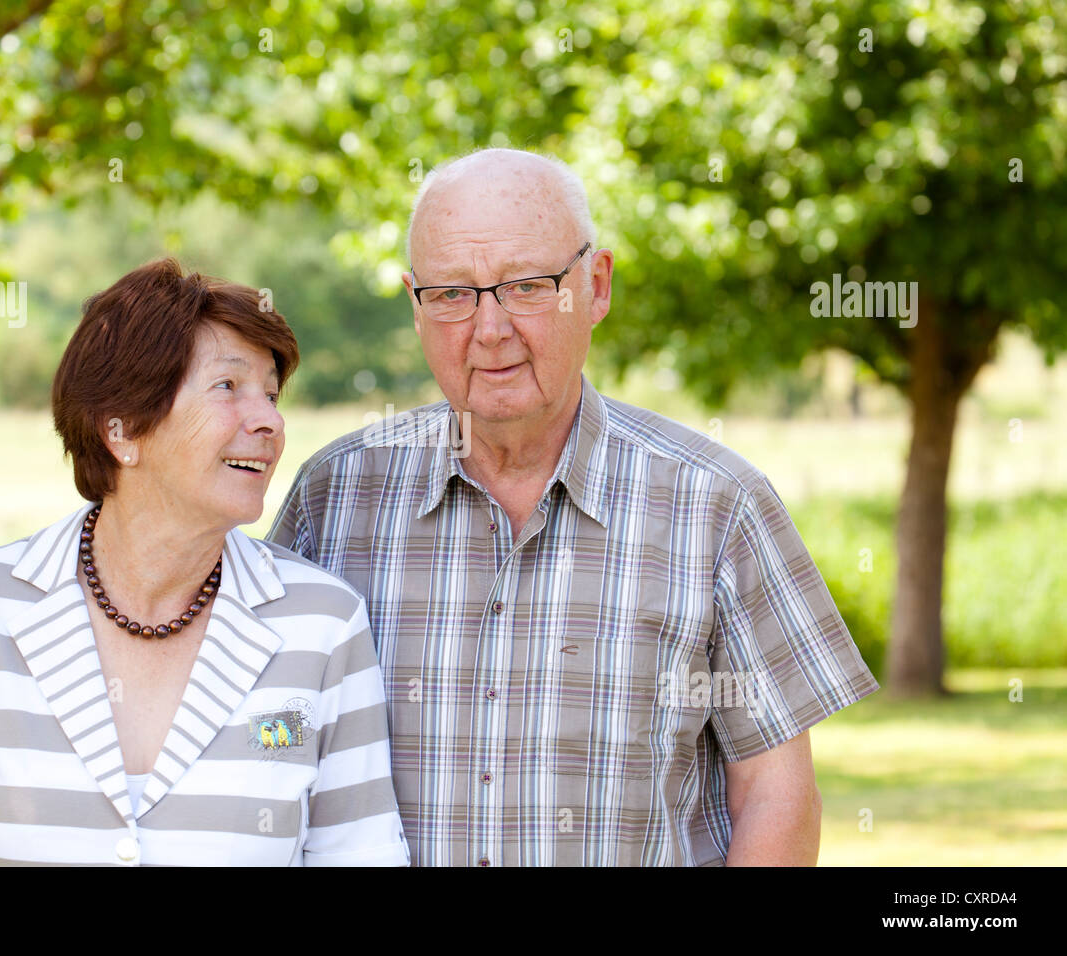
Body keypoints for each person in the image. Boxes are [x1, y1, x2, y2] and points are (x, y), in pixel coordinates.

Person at [268, 147, 879, 866]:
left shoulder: (715, 505)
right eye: (453, 294)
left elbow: (774, 793)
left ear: (596, 285)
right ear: (415, 304)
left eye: (526, 286)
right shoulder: (333, 499)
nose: (489, 329)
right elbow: (273, 747)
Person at [0, 258, 410, 866]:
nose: (270, 420)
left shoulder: (324, 623)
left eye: (270, 392)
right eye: (229, 386)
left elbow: (357, 856)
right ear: (122, 429)